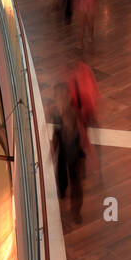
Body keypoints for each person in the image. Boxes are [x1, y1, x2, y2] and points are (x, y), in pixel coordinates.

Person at [51, 83, 85, 223]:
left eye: (62, 95)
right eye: (57, 95)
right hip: (63, 152)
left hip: (74, 152)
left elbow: (72, 131)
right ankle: (63, 197)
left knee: (76, 183)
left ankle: (75, 213)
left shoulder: (70, 112)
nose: (59, 98)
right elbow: (56, 133)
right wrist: (52, 149)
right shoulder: (56, 112)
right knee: (61, 178)